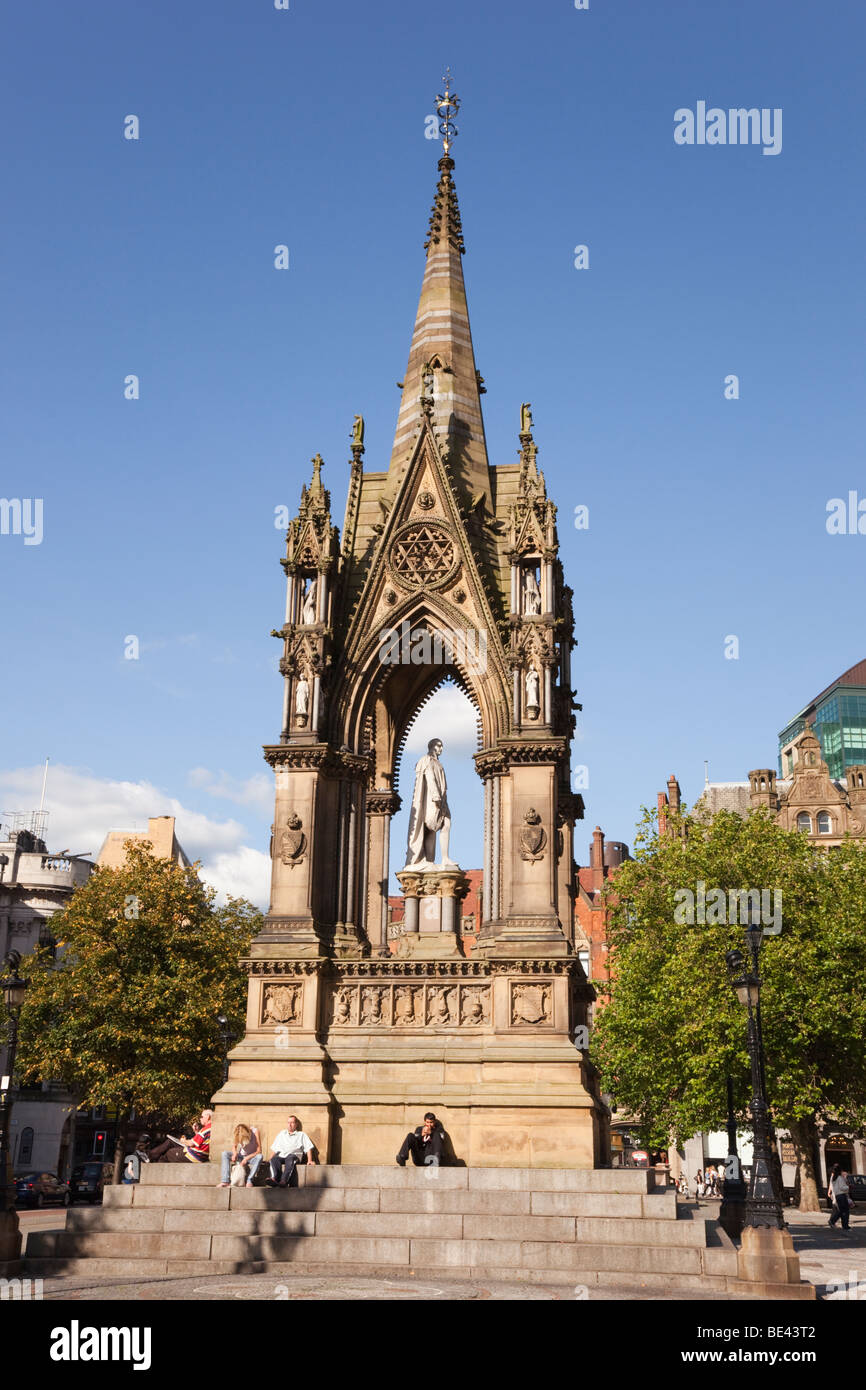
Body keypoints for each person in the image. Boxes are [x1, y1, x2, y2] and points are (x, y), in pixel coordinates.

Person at [267, 1115, 317, 1187]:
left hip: (294, 1156)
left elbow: (308, 1148)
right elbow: (275, 1148)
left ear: (296, 1124)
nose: (290, 1125)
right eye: (288, 1123)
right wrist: (270, 1159)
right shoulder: (282, 1134)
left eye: (292, 1123)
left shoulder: (301, 1135)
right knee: (274, 1159)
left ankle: (284, 1180)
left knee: (290, 1158)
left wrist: (309, 1160)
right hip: (282, 1155)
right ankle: (274, 1178)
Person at [218, 1124, 262, 1188]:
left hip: (252, 1157)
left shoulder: (255, 1132)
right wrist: (235, 1153)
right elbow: (234, 1147)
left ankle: (249, 1180)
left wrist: (247, 1158)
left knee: (260, 1156)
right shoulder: (238, 1133)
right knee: (225, 1153)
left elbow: (259, 1150)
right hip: (241, 1156)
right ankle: (225, 1181)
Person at [828, 1164, 852, 1230]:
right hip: (842, 1195)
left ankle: (834, 1221)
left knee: (841, 1211)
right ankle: (844, 1225)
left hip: (837, 1195)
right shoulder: (839, 1178)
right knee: (845, 1211)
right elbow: (842, 1187)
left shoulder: (833, 1178)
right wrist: (848, 1187)